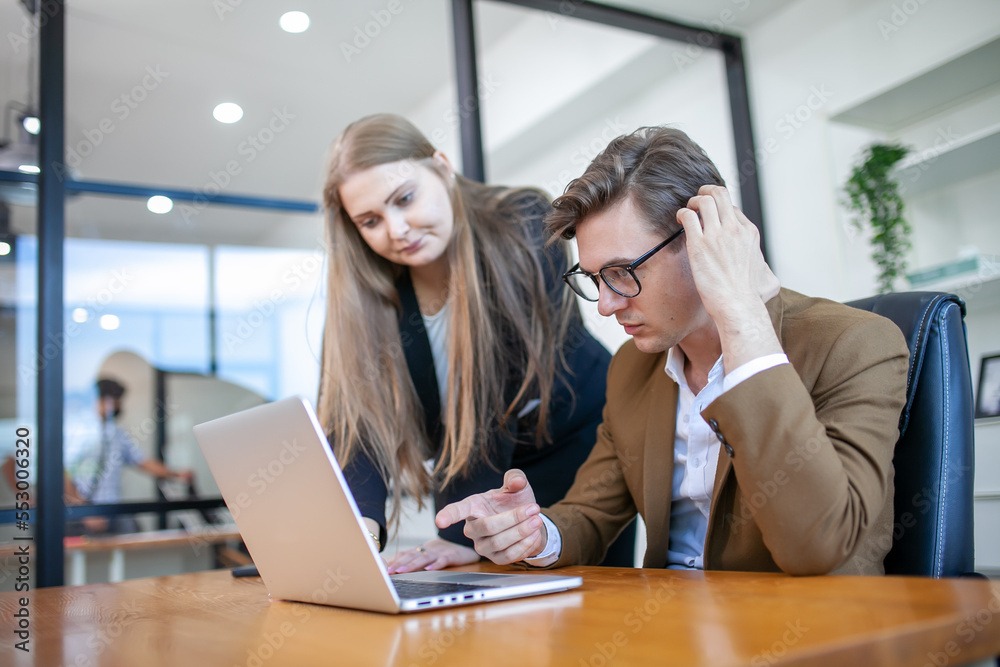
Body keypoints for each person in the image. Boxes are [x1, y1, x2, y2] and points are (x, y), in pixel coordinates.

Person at [436, 126, 911, 576]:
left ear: (704, 240)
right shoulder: (633, 368)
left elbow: (818, 546)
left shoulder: (856, 344)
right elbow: (592, 510)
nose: (605, 305)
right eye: (594, 279)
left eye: (623, 272)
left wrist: (743, 315)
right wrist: (533, 535)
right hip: (670, 629)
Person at [317, 113, 634, 573]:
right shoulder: (370, 293)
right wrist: (358, 531)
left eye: (405, 198)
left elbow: (493, 391)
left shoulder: (523, 223)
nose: (397, 229)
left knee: (589, 617)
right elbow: (359, 423)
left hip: (578, 459)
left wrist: (457, 532)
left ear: (442, 168)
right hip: (477, 478)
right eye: (370, 221)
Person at [69, 378, 193, 534]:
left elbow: (142, 461)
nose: (120, 406)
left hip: (112, 511)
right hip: (84, 515)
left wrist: (177, 474)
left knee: (133, 537)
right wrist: (84, 511)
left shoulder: (117, 433)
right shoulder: (78, 432)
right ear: (103, 401)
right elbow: (61, 474)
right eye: (116, 401)